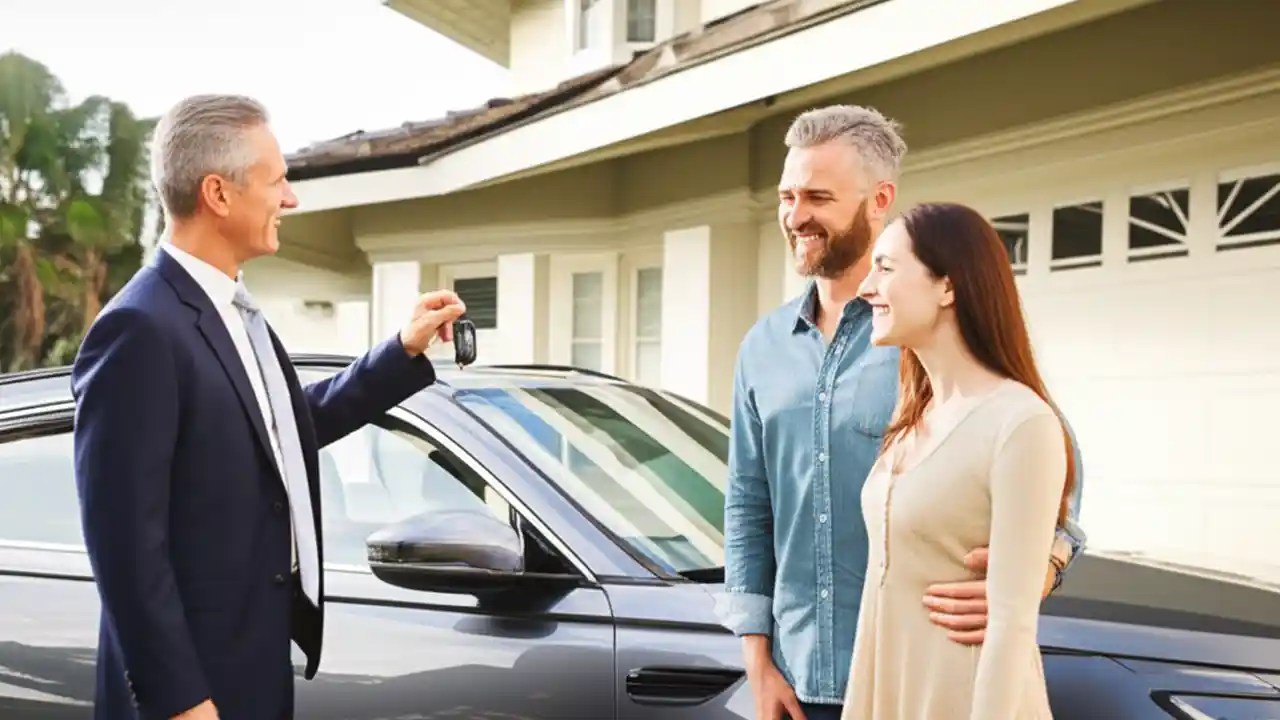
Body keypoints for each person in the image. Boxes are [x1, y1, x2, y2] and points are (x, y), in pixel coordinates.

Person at [71, 94, 466, 720]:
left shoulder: (233, 311)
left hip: (251, 667)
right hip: (193, 691)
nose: (291, 199)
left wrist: (400, 351)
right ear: (218, 194)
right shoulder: (139, 330)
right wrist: (181, 702)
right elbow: (123, 546)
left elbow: (282, 429)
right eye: (278, 181)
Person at [716, 105, 1086, 720]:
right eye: (786, 195)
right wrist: (758, 661)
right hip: (796, 679)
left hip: (922, 669)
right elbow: (747, 503)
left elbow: (1053, 473)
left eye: (818, 196)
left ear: (878, 198)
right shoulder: (762, 347)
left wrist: (1028, 577)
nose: (796, 215)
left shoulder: (925, 342)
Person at [841, 201, 1074, 719]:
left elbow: (1012, 628)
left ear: (947, 286)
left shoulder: (1021, 424)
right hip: (888, 692)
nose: (866, 288)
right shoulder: (910, 418)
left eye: (886, 267)